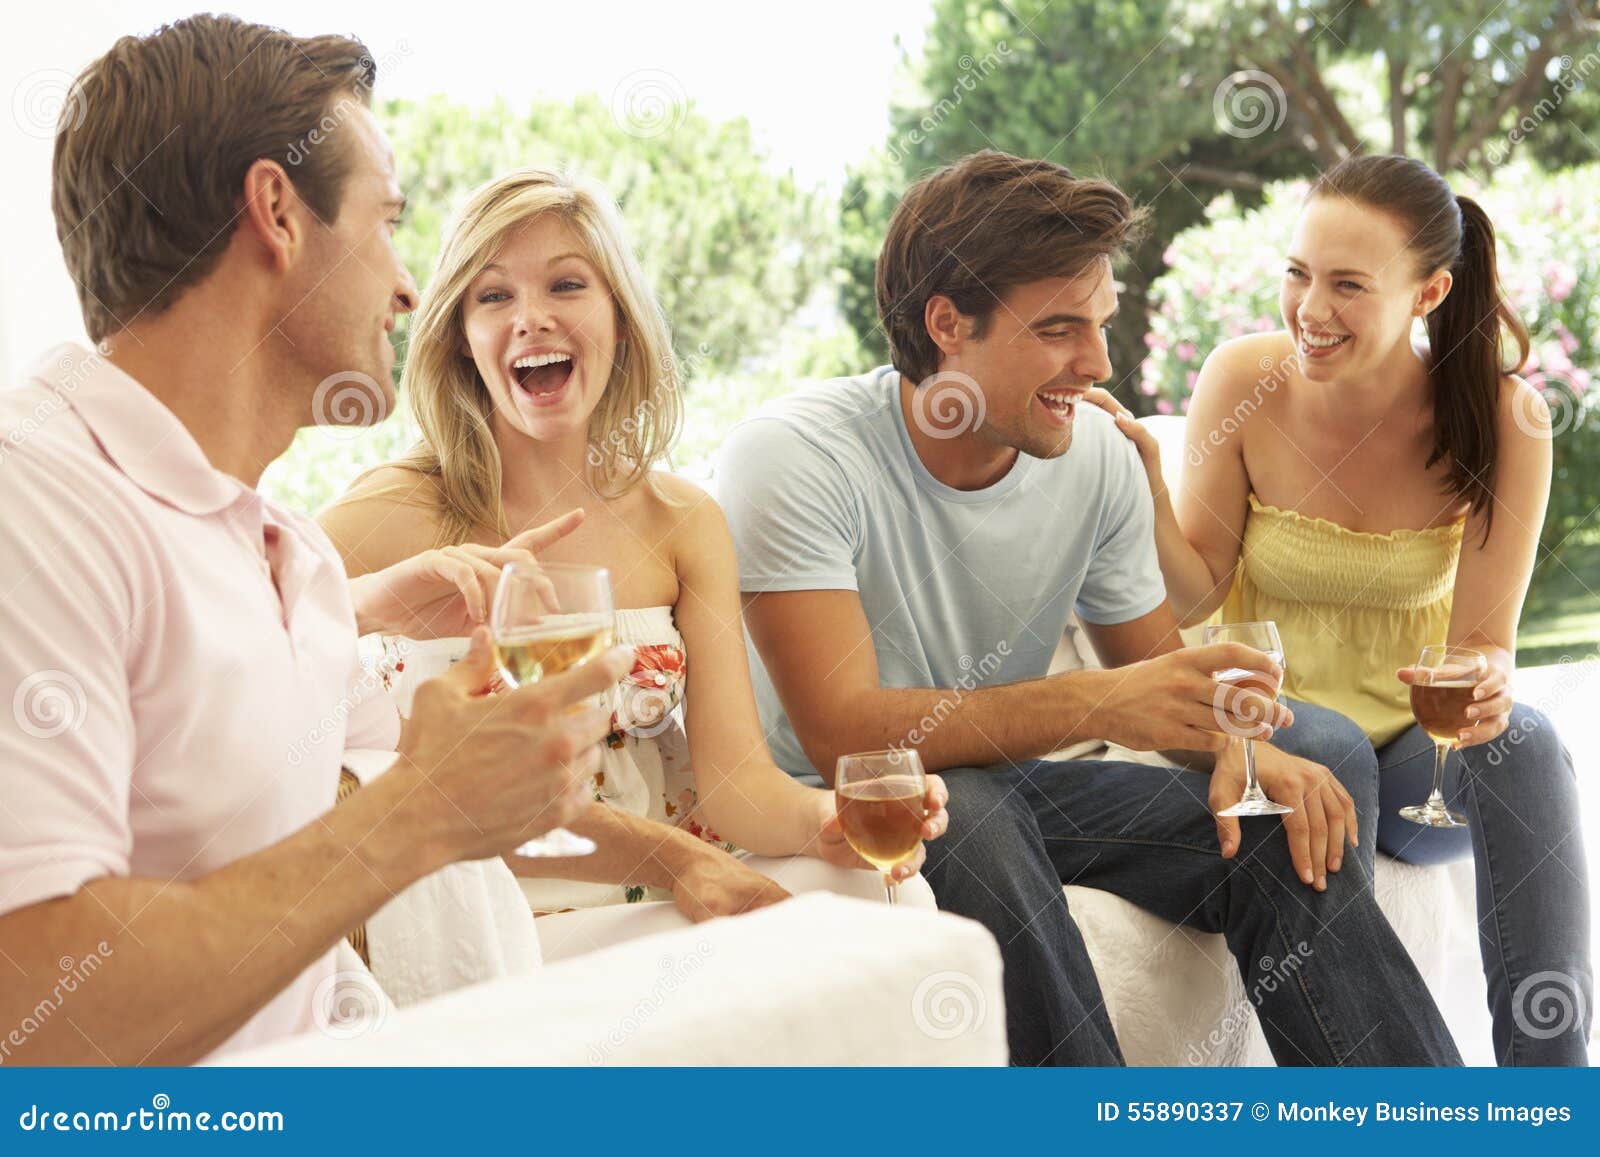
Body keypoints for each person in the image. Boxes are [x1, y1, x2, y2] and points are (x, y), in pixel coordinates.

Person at [716, 149, 1465, 1066]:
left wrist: (1247, 753)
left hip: (1015, 786)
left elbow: (1160, 675)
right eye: (1060, 329)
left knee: (1278, 824)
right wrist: (1098, 703)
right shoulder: (795, 458)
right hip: (844, 810)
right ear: (947, 324)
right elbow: (843, 734)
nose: (1099, 362)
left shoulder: (1094, 455)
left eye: (1102, 324)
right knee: (975, 811)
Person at [0, 15, 642, 1065]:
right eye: (386, 222)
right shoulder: (31, 499)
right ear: (276, 213)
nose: (407, 287)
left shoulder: (289, 553)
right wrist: (420, 813)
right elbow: (31, 1008)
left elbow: (407, 775)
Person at [317, 165, 948, 925]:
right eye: (494, 296)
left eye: (567, 285)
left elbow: (737, 783)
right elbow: (249, 634)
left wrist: (829, 821)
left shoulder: (682, 519)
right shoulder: (389, 513)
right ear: (460, 338)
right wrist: (363, 604)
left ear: (619, 317)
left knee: (890, 893)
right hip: (494, 908)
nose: (532, 318)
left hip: (671, 892)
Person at [1088, 153, 1592, 1065]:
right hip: (1270, 724)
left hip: (1411, 759)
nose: (1310, 309)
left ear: (1429, 292)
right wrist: (1149, 493)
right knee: (1326, 745)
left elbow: (1485, 643)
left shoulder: (1504, 417)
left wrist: (1485, 683)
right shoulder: (1244, 379)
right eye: (1298, 273)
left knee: (1527, 743)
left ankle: (1550, 1094)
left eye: (1349, 285)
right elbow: (1199, 589)